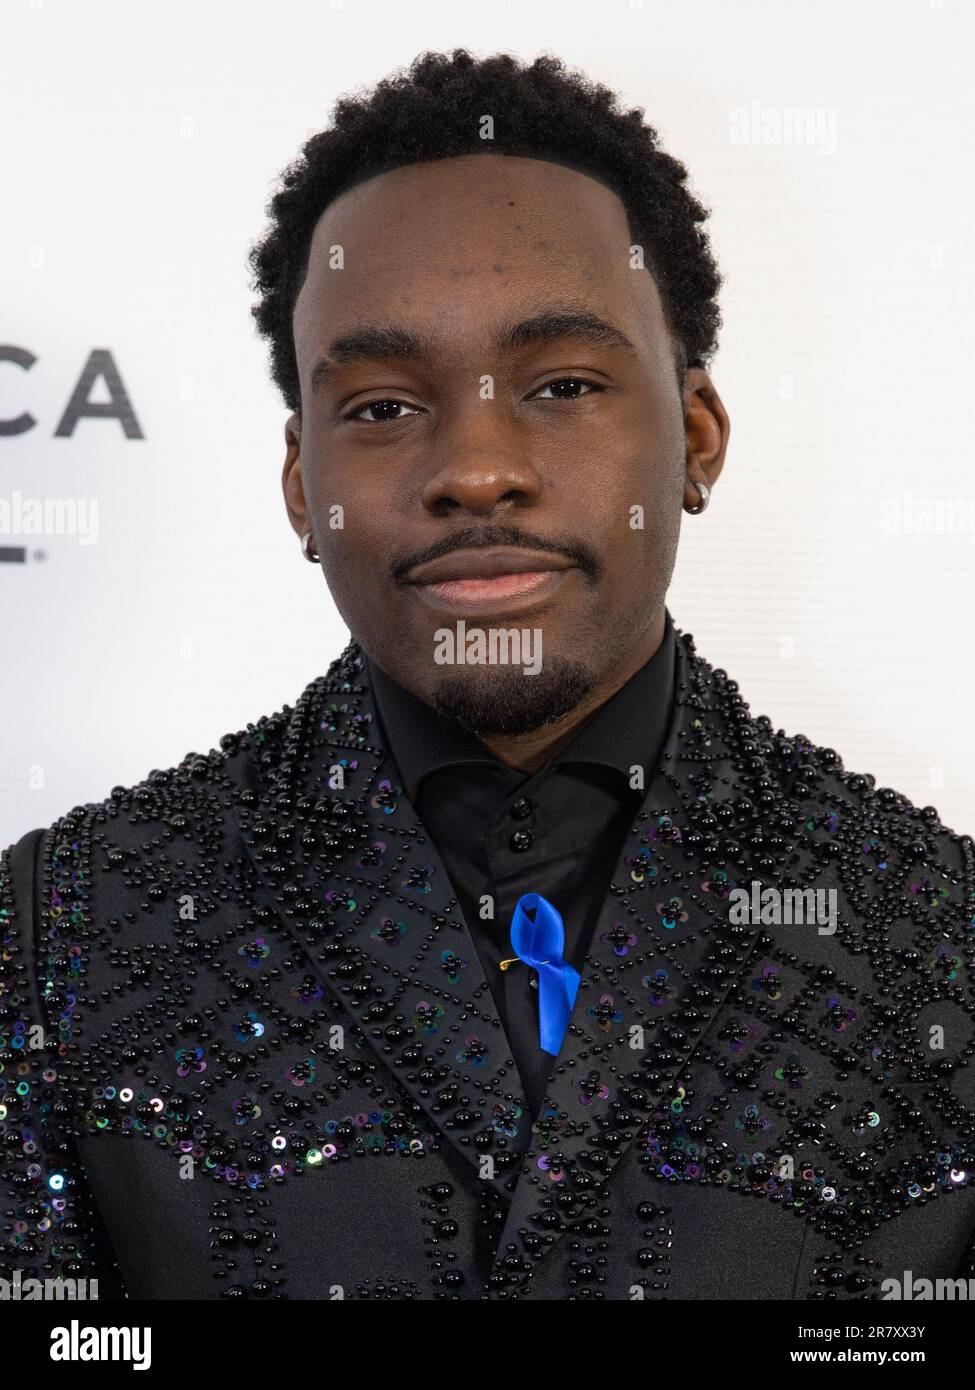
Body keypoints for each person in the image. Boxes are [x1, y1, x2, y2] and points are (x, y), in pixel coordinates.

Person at [2, 49, 973, 1302]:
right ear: (302, 485)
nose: (477, 468)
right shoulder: (59, 936)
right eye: (384, 407)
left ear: (697, 436)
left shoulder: (933, 940)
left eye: (561, 385)